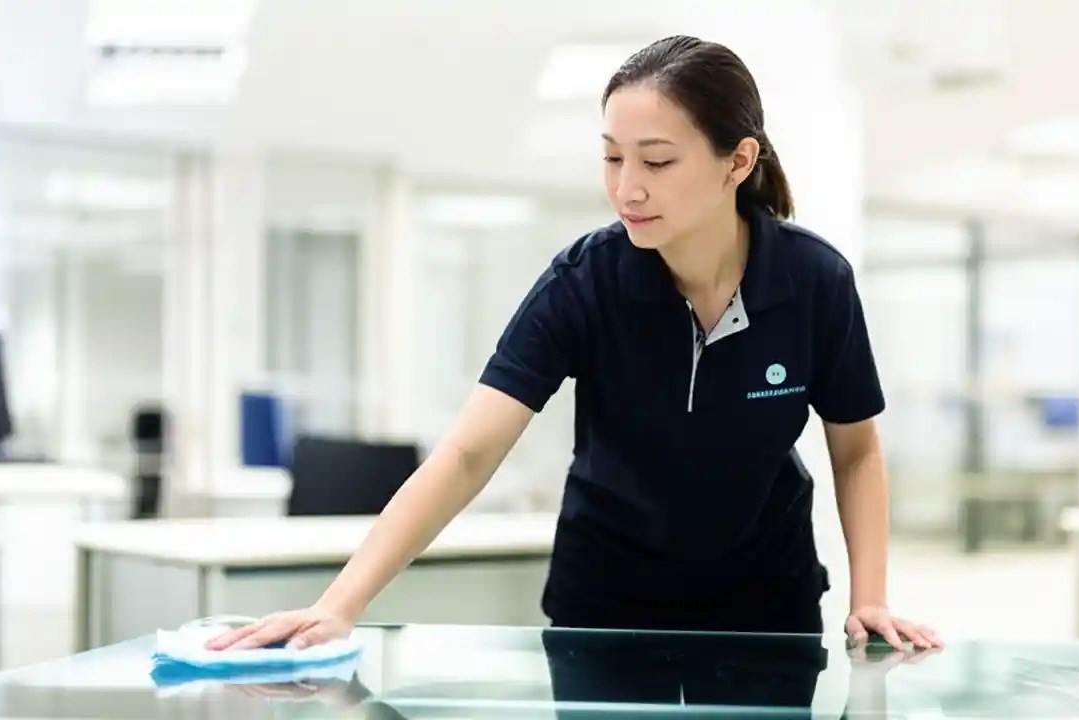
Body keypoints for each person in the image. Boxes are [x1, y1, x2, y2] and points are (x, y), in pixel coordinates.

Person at [207, 34, 941, 654]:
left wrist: (869, 596)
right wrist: (340, 603)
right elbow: (467, 452)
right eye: (611, 158)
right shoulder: (585, 281)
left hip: (765, 609)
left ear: (738, 162)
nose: (627, 189)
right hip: (607, 609)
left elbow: (856, 449)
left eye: (656, 162)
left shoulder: (814, 281)